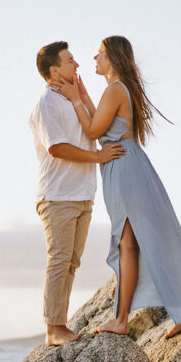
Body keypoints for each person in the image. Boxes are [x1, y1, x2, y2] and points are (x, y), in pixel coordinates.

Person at [53, 36, 181, 340]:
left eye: (100, 53)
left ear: (112, 58)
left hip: (124, 169)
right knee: (136, 243)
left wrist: (75, 98)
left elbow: (93, 130)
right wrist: (86, 98)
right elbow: (104, 122)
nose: (93, 58)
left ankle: (122, 320)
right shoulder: (117, 90)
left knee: (127, 244)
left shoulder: (116, 90)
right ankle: (176, 314)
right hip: (128, 165)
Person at [29, 41, 125, 346]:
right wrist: (98, 157)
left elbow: (96, 128)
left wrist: (82, 97)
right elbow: (56, 147)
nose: (78, 65)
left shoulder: (70, 100)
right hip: (57, 195)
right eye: (71, 61)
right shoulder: (48, 103)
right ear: (54, 70)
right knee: (59, 259)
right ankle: (54, 328)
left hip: (82, 193)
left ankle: (60, 324)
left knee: (71, 261)